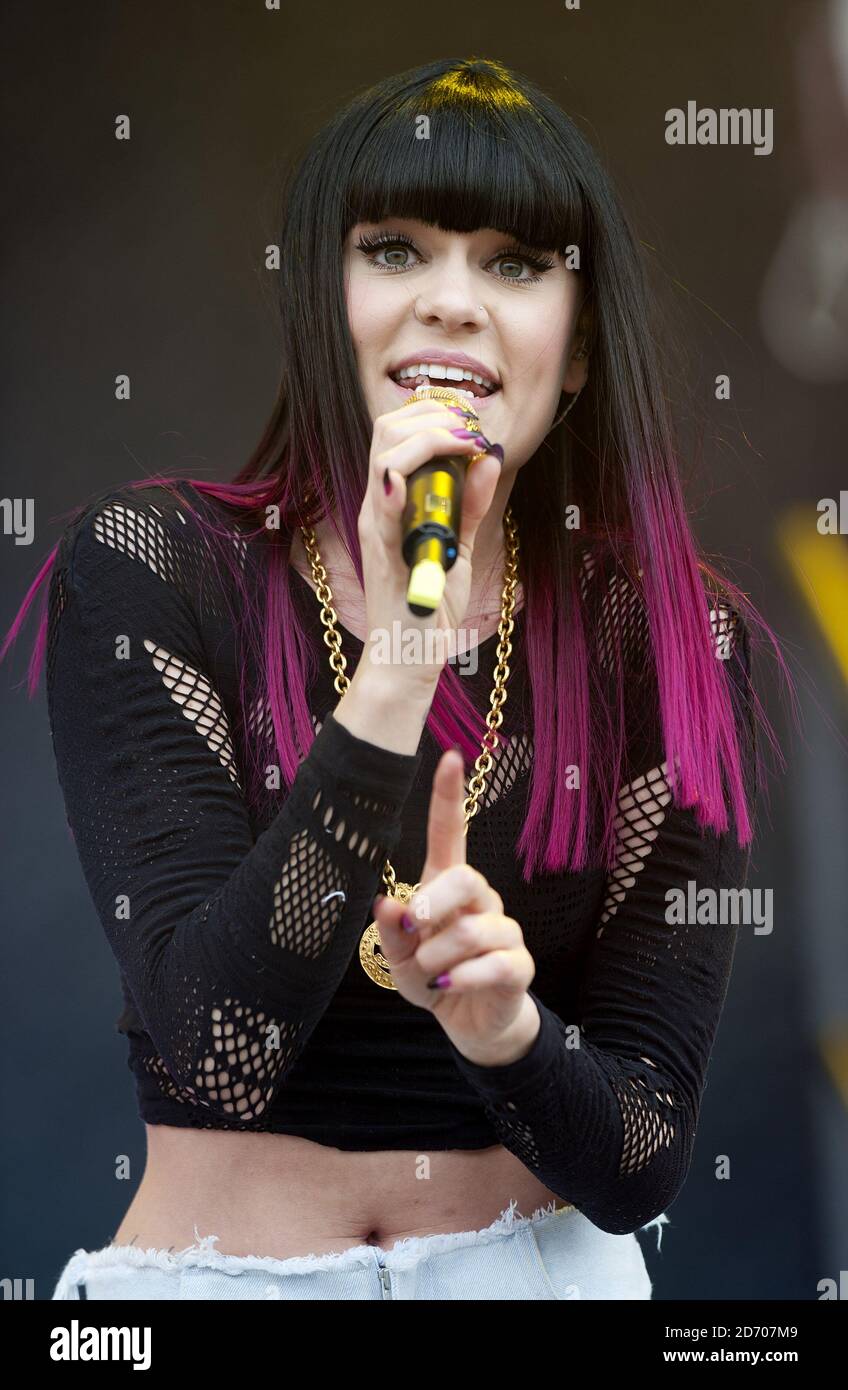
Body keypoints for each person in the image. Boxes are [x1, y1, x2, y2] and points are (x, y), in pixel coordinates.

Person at [5, 55, 779, 1301]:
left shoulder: (670, 638)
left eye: (516, 263)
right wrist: (406, 649)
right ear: (326, 302)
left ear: (575, 352)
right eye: (395, 249)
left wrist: (507, 1034)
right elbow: (218, 1052)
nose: (453, 304)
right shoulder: (154, 566)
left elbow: (640, 1157)